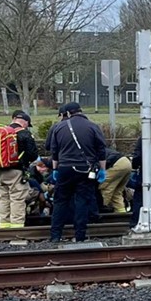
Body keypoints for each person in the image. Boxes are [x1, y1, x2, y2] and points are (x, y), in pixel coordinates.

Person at [46, 101, 107, 242]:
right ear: (81, 111)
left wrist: (55, 169)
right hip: (86, 170)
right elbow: (101, 150)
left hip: (65, 169)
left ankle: (55, 235)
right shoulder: (93, 126)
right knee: (82, 202)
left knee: (61, 201)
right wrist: (102, 170)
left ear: (67, 113)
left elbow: (54, 152)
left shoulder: (58, 127)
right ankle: (80, 235)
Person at [0, 110, 40, 228]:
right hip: (16, 171)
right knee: (17, 198)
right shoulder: (24, 134)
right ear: (25, 122)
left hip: (0, 169)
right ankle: (16, 226)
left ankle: (3, 225)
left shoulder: (2, 132)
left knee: (3, 197)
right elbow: (33, 154)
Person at [97, 147, 133, 213]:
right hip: (127, 163)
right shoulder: (99, 148)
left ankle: (102, 212)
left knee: (104, 188)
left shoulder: (90, 152)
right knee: (117, 192)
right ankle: (121, 214)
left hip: (116, 164)